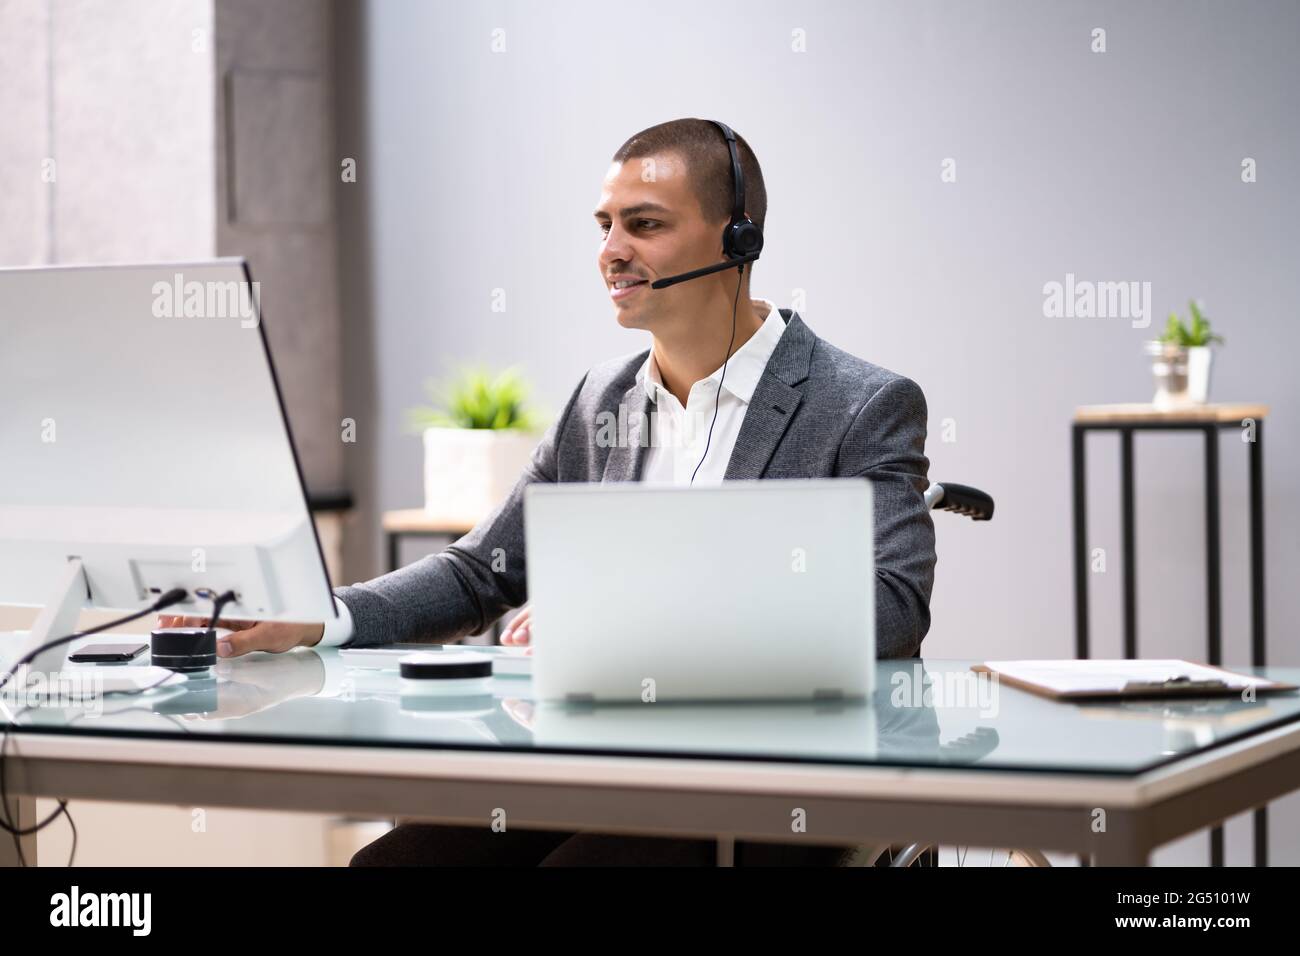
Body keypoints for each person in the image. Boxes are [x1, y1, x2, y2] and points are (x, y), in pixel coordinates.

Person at [162, 118, 937, 866]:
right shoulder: (599, 402)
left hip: (779, 781)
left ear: (737, 239)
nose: (610, 252)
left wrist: (639, 616)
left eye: (643, 225)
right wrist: (320, 616)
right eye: (603, 225)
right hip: (606, 764)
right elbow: (479, 572)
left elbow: (893, 610)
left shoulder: (859, 402)